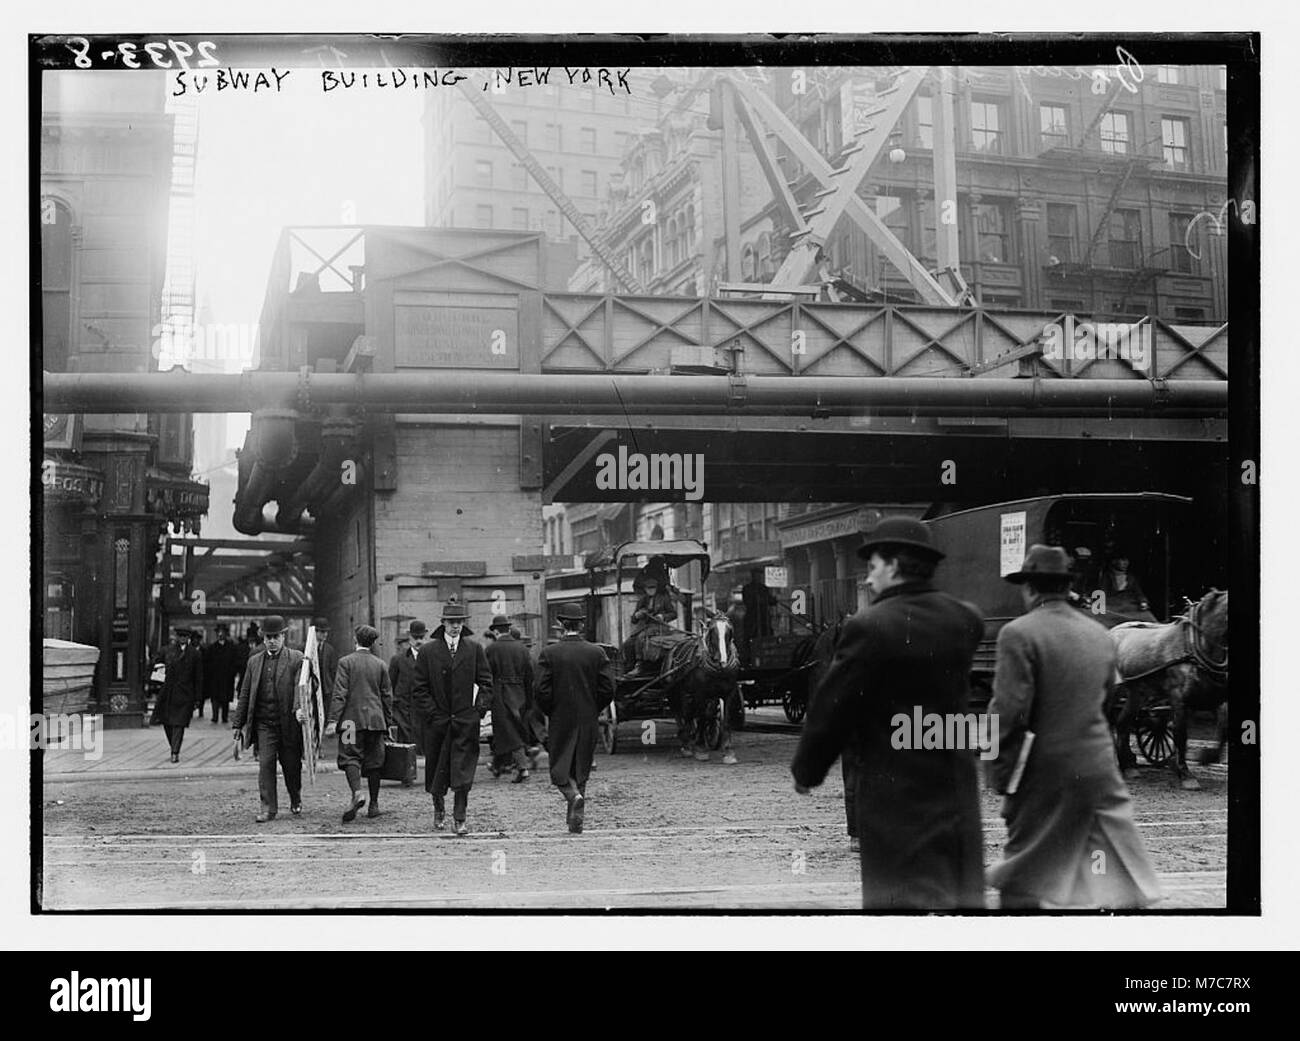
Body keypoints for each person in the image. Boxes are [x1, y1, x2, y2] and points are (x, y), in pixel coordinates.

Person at [790, 516, 986, 910]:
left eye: (874, 565)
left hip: (896, 799)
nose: (867, 577)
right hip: (956, 793)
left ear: (894, 566)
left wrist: (807, 771)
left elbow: (833, 709)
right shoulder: (965, 619)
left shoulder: (870, 626)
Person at [987, 545, 1163, 910]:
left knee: (1024, 879)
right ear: (1066, 587)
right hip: (1100, 770)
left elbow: (1008, 712)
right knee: (1114, 875)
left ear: (1030, 588)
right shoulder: (1100, 634)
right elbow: (1105, 698)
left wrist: (1001, 774)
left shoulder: (1017, 634)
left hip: (1046, 772)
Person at [412, 598, 492, 836]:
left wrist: (478, 710)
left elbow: (486, 683)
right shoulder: (428, 651)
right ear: (443, 623)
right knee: (438, 770)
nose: (456, 626)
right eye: (451, 622)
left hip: (465, 723)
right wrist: (433, 714)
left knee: (463, 772)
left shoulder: (474, 649)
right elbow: (419, 688)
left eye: (459, 622)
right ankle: (439, 809)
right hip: (438, 725)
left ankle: (460, 818)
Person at [536, 602, 615, 834]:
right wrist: (593, 707)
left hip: (561, 716)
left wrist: (552, 709)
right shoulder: (596, 652)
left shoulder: (549, 653)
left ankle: (573, 796)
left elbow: (540, 689)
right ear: (581, 624)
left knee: (559, 767)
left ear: (561, 625)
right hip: (588, 717)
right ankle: (576, 818)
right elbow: (608, 688)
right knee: (581, 766)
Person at [232, 615, 306, 822]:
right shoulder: (254, 662)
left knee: (291, 766)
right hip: (265, 724)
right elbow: (245, 694)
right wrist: (238, 725)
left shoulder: (296, 658)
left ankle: (295, 797)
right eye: (268, 637)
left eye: (276, 636)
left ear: (283, 636)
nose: (272, 641)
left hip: (289, 724)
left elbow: (302, 688)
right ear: (263, 638)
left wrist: (299, 709)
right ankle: (268, 808)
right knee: (265, 764)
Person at [328, 625, 395, 823]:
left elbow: (340, 693)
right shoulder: (380, 664)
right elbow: (387, 696)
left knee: (349, 757)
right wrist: (387, 722)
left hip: (350, 722)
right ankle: (374, 805)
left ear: (354, 640)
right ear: (373, 643)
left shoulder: (345, 663)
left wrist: (333, 720)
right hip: (375, 721)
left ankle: (357, 793)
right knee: (375, 762)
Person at [485, 614, 535, 782]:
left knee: (508, 732)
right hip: (520, 692)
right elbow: (530, 675)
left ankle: (523, 768)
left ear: (496, 631)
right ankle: (497, 766)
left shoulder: (491, 649)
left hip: (500, 693)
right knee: (509, 731)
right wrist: (529, 699)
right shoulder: (522, 648)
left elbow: (486, 675)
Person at [150, 625, 203, 763]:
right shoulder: (167, 651)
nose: (182, 639)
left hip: (186, 695)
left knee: (179, 724)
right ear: (177, 637)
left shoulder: (195, 654)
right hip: (169, 693)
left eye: (185, 636)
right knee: (167, 723)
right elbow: (156, 667)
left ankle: (175, 752)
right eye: (180, 636)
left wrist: (198, 698)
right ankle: (173, 746)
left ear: (189, 638)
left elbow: (198, 677)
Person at [622, 562, 680, 678]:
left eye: (653, 587)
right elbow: (634, 619)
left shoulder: (664, 599)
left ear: (656, 588)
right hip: (644, 627)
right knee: (627, 644)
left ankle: (640, 666)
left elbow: (674, 614)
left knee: (641, 638)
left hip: (660, 628)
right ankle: (629, 667)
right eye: (649, 588)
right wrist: (637, 615)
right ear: (645, 589)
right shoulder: (642, 600)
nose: (651, 590)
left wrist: (663, 617)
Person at [388, 620, 427, 779]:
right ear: (409, 638)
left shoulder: (430, 657)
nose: (418, 641)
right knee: (405, 742)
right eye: (415, 637)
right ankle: (406, 775)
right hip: (404, 708)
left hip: (423, 707)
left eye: (421, 637)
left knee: (425, 741)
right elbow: (391, 683)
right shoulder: (398, 659)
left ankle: (428, 777)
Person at [202, 622, 240, 724]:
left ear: (225, 634)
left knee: (225, 699)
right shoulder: (212, 648)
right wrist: (210, 674)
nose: (220, 634)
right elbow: (207, 662)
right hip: (215, 678)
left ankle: (224, 717)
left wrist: (232, 672)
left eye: (222, 632)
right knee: (215, 697)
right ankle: (214, 716)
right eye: (218, 632)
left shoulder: (231, 647)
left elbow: (235, 662)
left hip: (227, 678)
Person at [313, 616, 340, 721]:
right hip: (312, 687)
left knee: (325, 713)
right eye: (322, 632)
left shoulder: (330, 650)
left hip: (326, 688)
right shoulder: (305, 648)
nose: (325, 635)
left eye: (326, 632)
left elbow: (334, 671)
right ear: (315, 632)